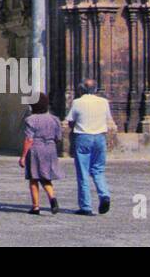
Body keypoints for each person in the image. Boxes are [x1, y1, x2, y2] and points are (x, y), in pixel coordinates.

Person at [67, 79, 115, 216]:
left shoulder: (77, 102)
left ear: (82, 89)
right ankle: (104, 194)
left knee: (83, 172)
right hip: (100, 137)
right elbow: (108, 118)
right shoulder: (104, 102)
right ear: (95, 89)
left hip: (83, 137)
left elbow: (71, 121)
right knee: (98, 170)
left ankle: (86, 206)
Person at [18, 93, 61, 215]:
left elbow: (29, 139)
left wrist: (23, 156)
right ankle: (52, 197)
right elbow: (58, 137)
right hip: (50, 148)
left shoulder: (30, 120)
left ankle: (36, 206)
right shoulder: (55, 119)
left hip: (36, 149)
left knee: (34, 178)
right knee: (46, 176)